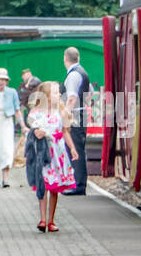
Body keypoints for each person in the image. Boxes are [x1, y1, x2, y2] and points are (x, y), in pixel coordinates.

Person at [25, 81, 78, 232]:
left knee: (55, 187)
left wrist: (72, 148)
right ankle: (42, 218)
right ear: (47, 97)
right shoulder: (36, 113)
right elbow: (33, 130)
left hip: (58, 154)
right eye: (56, 92)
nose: (60, 94)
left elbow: (65, 131)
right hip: (43, 154)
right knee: (43, 185)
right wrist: (36, 132)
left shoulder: (61, 112)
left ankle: (51, 220)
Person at [62, 47, 91, 195]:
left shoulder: (73, 75)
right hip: (81, 114)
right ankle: (78, 183)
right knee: (78, 148)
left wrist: (65, 115)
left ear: (65, 59)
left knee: (75, 149)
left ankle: (78, 186)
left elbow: (71, 98)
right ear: (78, 58)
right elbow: (89, 94)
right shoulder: (83, 73)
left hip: (75, 116)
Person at [0, 67, 21, 188]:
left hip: (6, 122)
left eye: (3, 79)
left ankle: (5, 179)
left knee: (6, 149)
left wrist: (23, 126)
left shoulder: (12, 92)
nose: (1, 82)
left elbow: (17, 109)